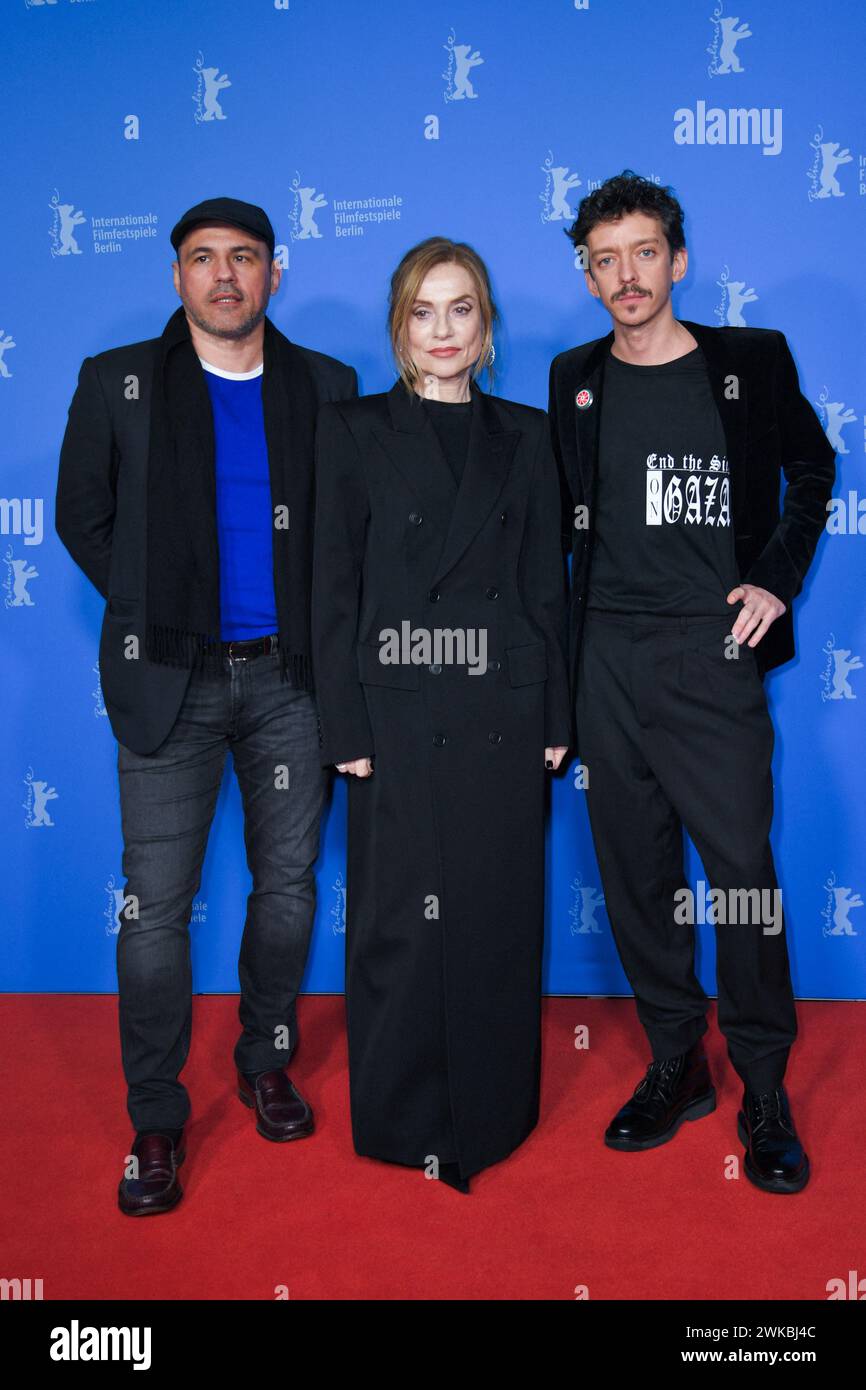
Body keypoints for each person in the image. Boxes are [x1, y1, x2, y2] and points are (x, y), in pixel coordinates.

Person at [55, 197, 358, 1215]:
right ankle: (155, 1116)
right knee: (154, 912)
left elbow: (344, 540)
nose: (224, 275)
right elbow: (81, 515)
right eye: (201, 258)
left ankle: (264, 1058)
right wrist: (156, 607)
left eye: (243, 257)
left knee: (287, 887)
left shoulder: (326, 386)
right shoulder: (118, 385)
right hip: (168, 680)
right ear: (175, 274)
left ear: (276, 271)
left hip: (289, 682)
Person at [548, 170, 836, 1194]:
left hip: (711, 658)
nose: (624, 274)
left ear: (675, 258)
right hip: (604, 663)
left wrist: (773, 575)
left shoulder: (748, 362)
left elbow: (812, 468)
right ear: (586, 277)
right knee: (634, 876)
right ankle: (675, 1064)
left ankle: (760, 1083)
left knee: (743, 882)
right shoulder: (570, 378)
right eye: (602, 259)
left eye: (640, 252)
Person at [311, 237, 570, 1192]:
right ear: (399, 327)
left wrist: (554, 712)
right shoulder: (352, 431)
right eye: (424, 311)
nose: (444, 330)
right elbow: (330, 590)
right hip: (399, 717)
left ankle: (495, 1111)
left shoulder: (527, 433)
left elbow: (546, 585)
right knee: (400, 926)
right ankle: (405, 1113)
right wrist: (345, 727)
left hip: (504, 711)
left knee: (499, 916)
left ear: (487, 324)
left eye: (462, 309)